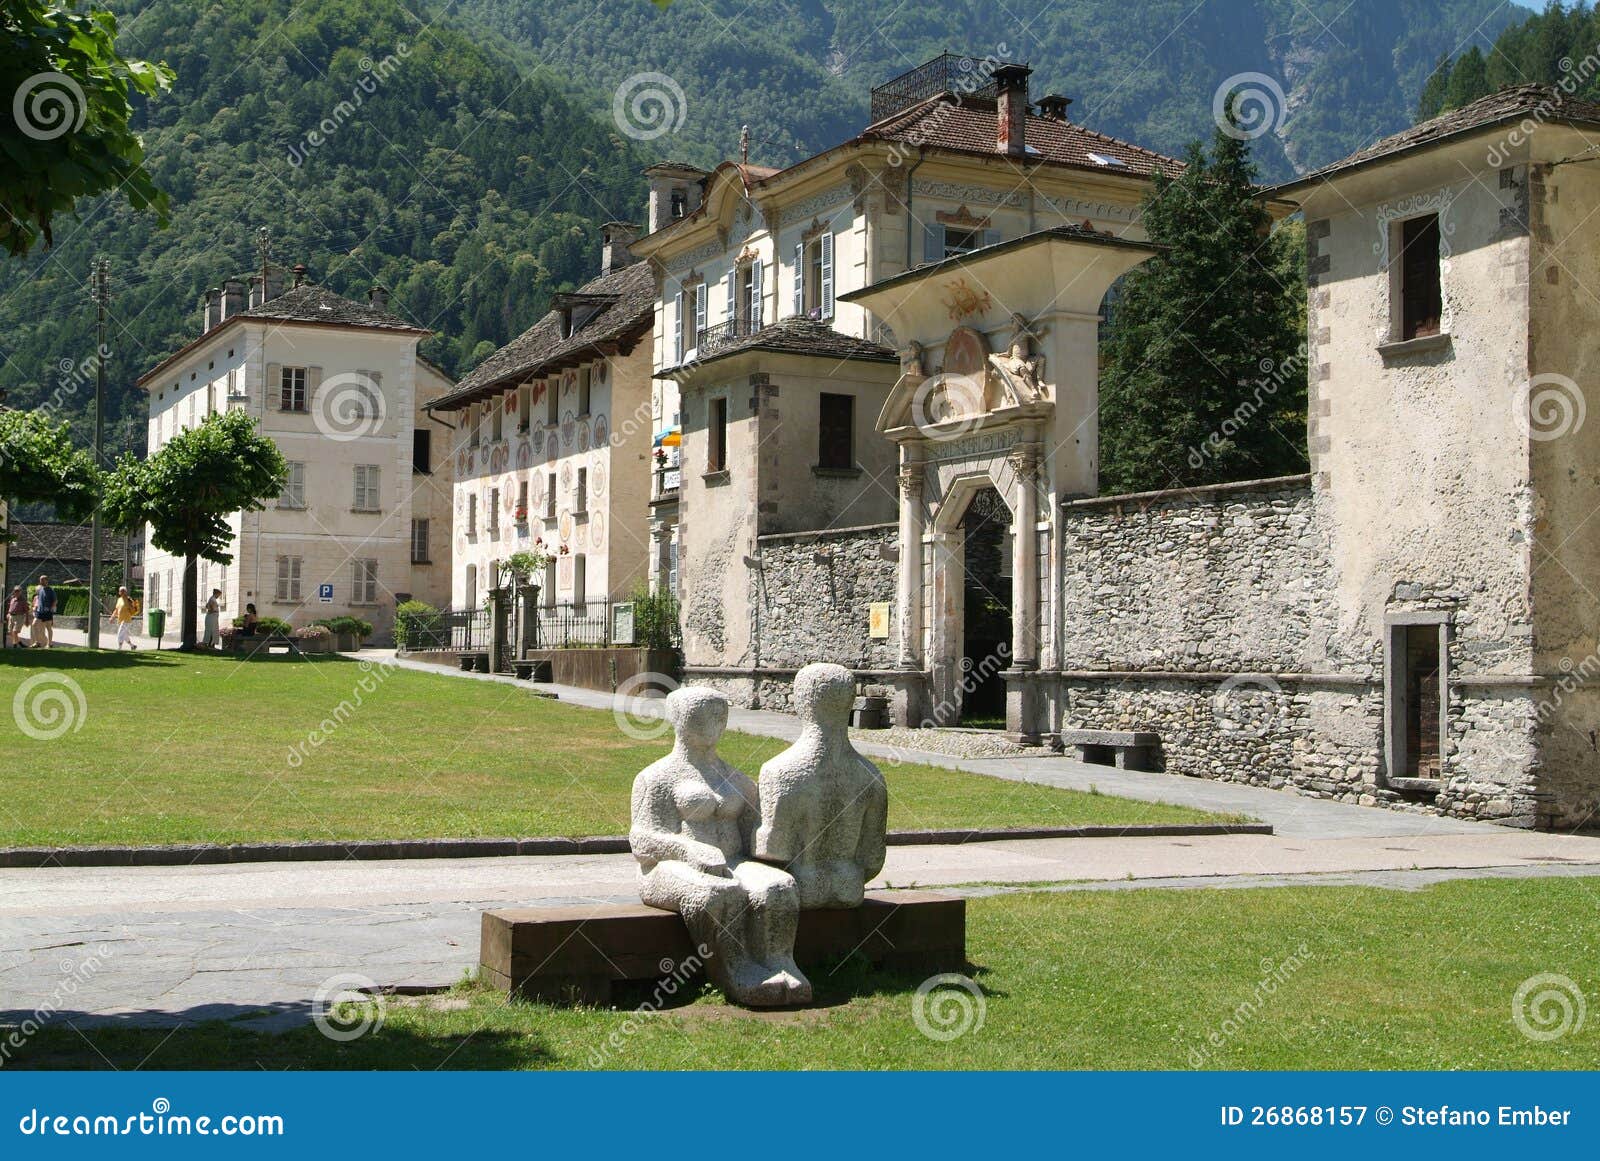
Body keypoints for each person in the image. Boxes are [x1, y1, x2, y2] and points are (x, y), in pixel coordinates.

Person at [31, 575, 55, 649]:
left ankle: (50, 644)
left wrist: (50, 609)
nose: (40, 581)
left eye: (42, 580)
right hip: (40, 611)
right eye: (40, 580)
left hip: (47, 612)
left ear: (46, 580)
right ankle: (37, 642)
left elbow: (55, 601)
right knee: (34, 624)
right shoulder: (41, 589)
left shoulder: (50, 590)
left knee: (48, 628)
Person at [112, 586, 139, 651]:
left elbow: (133, 609)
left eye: (123, 591)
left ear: (126, 592)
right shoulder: (119, 600)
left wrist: (132, 605)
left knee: (120, 633)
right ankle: (132, 646)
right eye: (121, 591)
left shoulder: (128, 600)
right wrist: (112, 617)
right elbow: (116, 609)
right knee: (124, 635)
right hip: (120, 620)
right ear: (119, 592)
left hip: (126, 620)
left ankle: (119, 648)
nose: (122, 592)